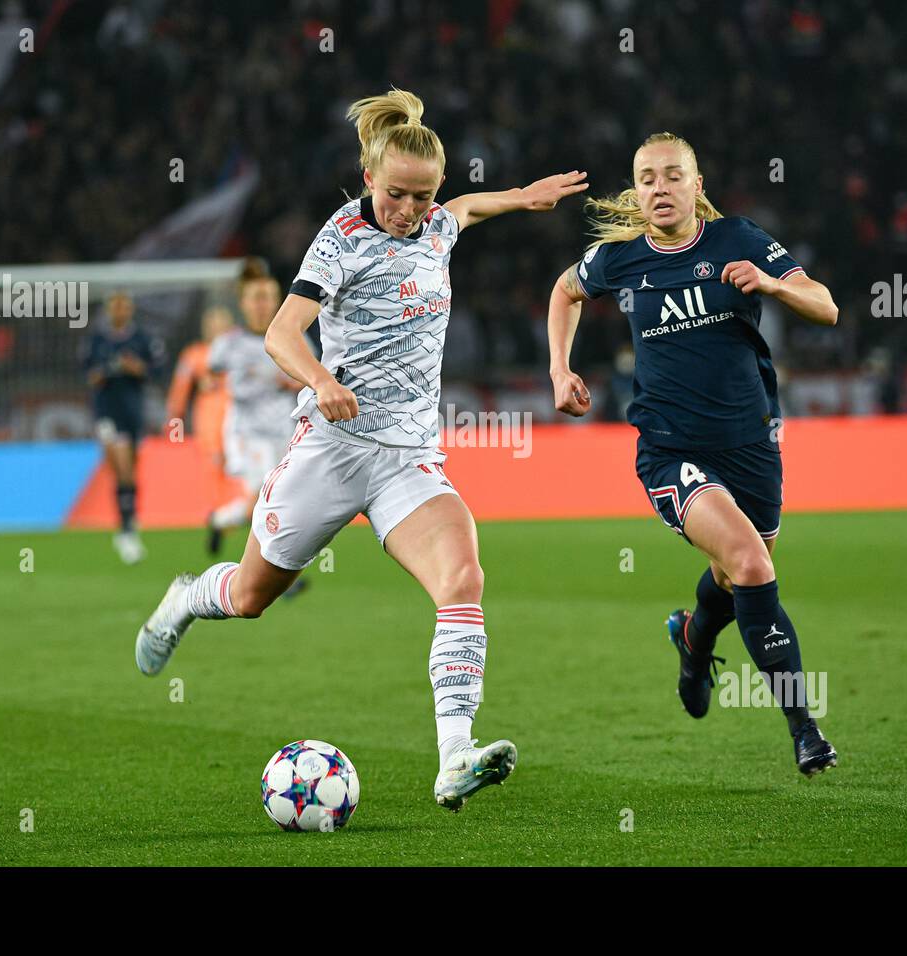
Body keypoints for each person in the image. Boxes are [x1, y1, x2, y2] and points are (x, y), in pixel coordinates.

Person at [134, 88, 588, 811]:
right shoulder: (341, 238)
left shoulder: (439, 221)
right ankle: (186, 598)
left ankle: (453, 757)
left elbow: (467, 210)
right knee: (251, 598)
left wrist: (521, 197)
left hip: (407, 458)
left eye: (424, 196)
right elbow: (282, 332)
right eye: (398, 195)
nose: (411, 211)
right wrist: (319, 377)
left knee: (462, 578)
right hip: (332, 448)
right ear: (369, 177)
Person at [545, 132, 841, 775]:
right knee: (751, 566)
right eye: (647, 178)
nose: (659, 187)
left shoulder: (738, 240)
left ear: (696, 186)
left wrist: (771, 283)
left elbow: (827, 305)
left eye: (672, 175)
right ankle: (805, 731)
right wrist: (559, 368)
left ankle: (694, 635)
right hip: (671, 451)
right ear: (637, 190)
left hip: (752, 444)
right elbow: (564, 291)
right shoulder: (619, 258)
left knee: (737, 578)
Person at [204, 259, 305, 560]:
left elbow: (312, 379)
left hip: (283, 432)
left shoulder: (291, 339)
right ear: (244, 304)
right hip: (247, 433)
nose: (262, 305)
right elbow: (210, 375)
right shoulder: (228, 344)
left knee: (277, 500)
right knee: (265, 497)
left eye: (268, 298)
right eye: (256, 299)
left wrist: (296, 383)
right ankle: (274, 567)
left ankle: (220, 520)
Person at [81, 291, 165, 564]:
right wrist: (108, 370)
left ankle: (128, 518)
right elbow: (88, 375)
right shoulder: (96, 341)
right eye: (115, 306)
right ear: (108, 310)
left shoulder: (142, 339)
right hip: (107, 412)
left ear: (130, 309)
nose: (120, 310)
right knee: (122, 466)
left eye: (124, 305)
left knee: (129, 470)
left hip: (133, 413)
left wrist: (135, 368)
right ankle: (127, 529)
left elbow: (156, 372)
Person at [165, 306, 235, 519]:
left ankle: (242, 508)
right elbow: (180, 388)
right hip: (210, 414)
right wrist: (175, 420)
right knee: (214, 459)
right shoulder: (194, 355)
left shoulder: (240, 351)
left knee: (238, 460)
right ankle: (218, 508)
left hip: (240, 413)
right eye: (212, 326)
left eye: (221, 326)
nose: (216, 330)